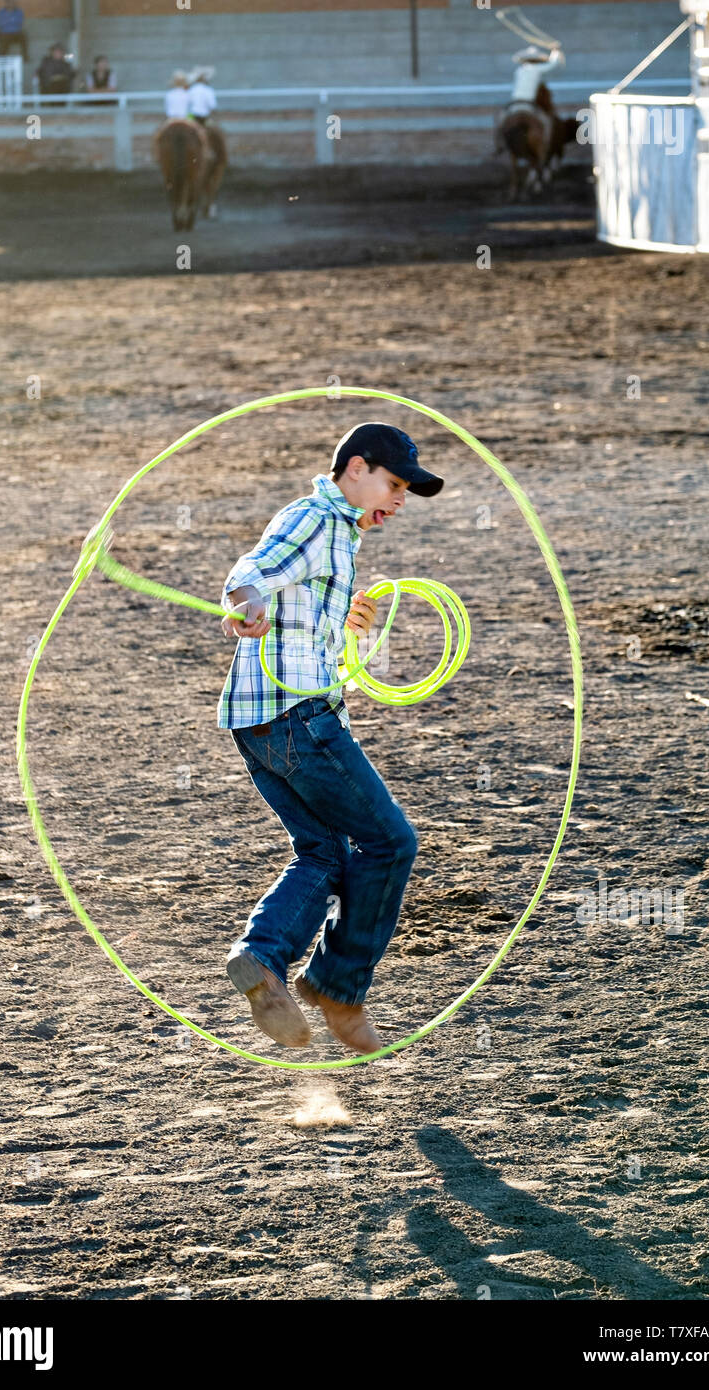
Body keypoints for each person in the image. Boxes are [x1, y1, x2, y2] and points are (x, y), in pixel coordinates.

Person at [217, 423, 444, 1055]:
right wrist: (246, 605)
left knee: (323, 852)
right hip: (299, 720)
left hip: (259, 723)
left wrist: (344, 624)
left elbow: (297, 611)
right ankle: (338, 988)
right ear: (355, 469)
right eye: (394, 484)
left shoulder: (339, 535)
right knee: (390, 841)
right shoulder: (317, 519)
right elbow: (251, 572)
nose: (399, 501)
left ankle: (262, 960)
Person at [504, 43, 565, 145]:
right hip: (529, 105)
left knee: (502, 121)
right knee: (547, 123)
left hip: (514, 104)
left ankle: (501, 144)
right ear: (536, 61)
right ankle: (546, 143)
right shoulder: (535, 69)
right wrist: (555, 52)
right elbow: (552, 64)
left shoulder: (519, 70)